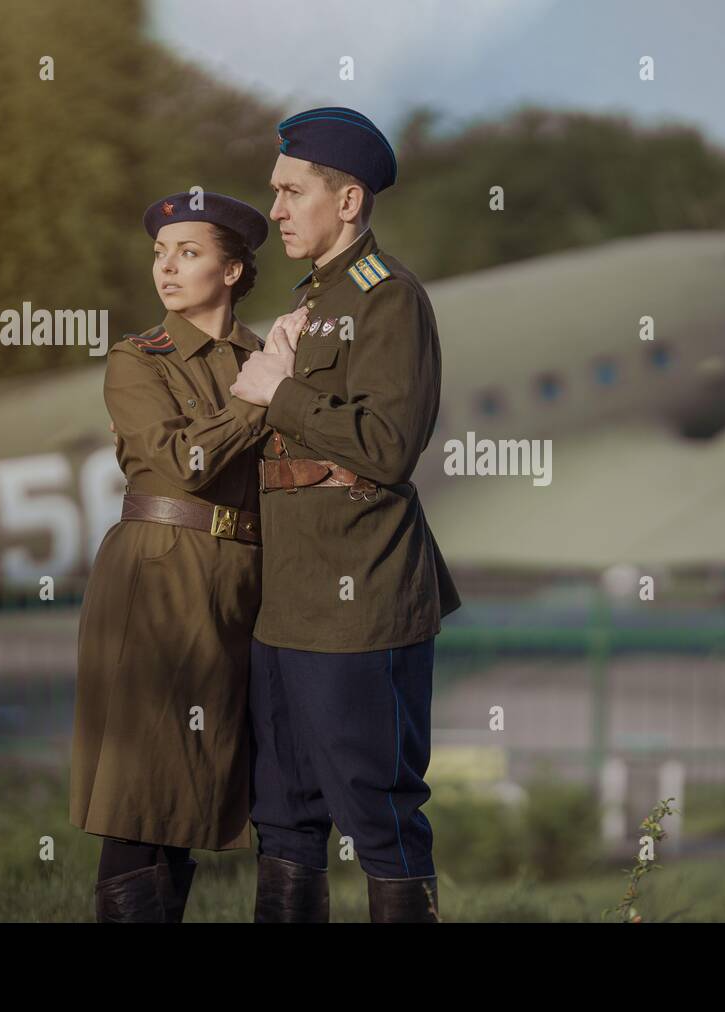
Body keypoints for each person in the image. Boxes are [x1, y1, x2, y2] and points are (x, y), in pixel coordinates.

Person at [230, 106, 462, 923]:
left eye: (293, 192)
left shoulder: (388, 299)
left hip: (359, 600)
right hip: (287, 604)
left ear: (350, 199)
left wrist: (279, 392)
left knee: (379, 817)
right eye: (276, 193)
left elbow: (388, 445)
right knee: (285, 822)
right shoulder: (313, 300)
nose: (277, 211)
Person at [69, 190, 309, 922]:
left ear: (233, 270)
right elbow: (183, 461)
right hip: (160, 574)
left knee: (195, 791)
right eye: (160, 255)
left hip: (242, 584)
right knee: (142, 794)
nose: (166, 269)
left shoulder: (265, 359)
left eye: (189, 252)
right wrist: (261, 396)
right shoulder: (138, 361)